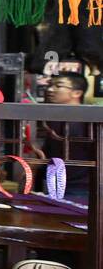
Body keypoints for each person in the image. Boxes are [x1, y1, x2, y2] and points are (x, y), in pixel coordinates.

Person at [41, 71, 92, 204]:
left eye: (58, 86)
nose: (50, 89)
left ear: (77, 93)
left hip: (81, 188)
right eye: (50, 85)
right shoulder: (54, 118)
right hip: (56, 185)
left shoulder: (89, 120)